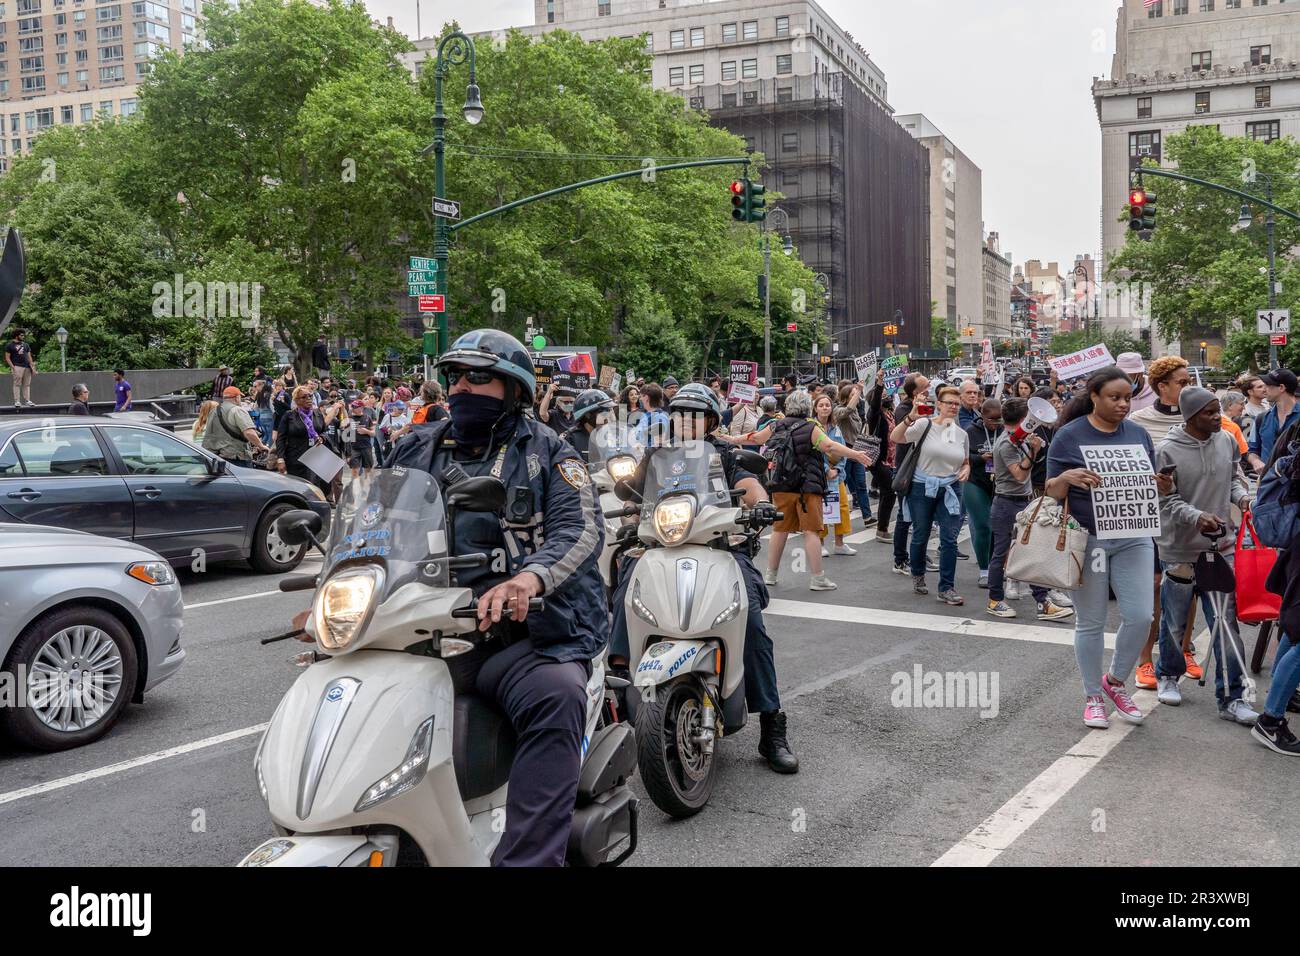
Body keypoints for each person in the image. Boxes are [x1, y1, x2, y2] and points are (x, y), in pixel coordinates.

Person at [385, 328, 608, 866]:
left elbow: (580, 529)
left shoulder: (549, 451)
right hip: (420, 631)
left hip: (523, 636)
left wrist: (529, 579)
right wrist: (338, 588)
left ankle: (530, 858)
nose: (461, 387)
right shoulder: (414, 447)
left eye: (477, 377)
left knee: (556, 696)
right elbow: (375, 524)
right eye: (454, 376)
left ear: (514, 389)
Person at [606, 383, 797, 773]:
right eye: (679, 414)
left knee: (751, 621)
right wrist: (629, 514)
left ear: (709, 421)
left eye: (694, 416)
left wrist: (760, 504)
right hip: (660, 546)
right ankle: (618, 686)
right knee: (626, 594)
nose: (685, 421)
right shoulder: (656, 455)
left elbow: (749, 485)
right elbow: (633, 496)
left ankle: (771, 724)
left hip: (721, 547)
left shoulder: (724, 454)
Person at [1046, 366, 1165, 730]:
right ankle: (1092, 696)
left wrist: (1162, 485)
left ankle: (1114, 682)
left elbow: (1150, 484)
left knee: (1141, 616)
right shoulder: (1069, 436)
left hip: (1135, 536)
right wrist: (1065, 478)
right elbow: (1050, 491)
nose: (1123, 404)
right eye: (1115, 397)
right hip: (1090, 539)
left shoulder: (1139, 434)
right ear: (1094, 396)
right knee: (1092, 621)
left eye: (1128, 397)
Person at [1151, 386, 1257, 725]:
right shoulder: (1166, 451)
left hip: (1221, 547)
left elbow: (1234, 480)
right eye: (1209, 413)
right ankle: (1168, 674)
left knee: (1226, 624)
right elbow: (1165, 500)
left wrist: (1242, 498)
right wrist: (1196, 516)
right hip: (1180, 548)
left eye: (1217, 411)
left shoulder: (1226, 440)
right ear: (1191, 417)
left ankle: (1232, 698)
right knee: (1174, 620)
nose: (1217, 418)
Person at [741, 389, 871, 591]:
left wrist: (729, 439)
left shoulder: (776, 424)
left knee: (780, 530)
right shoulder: (812, 427)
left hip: (782, 484)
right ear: (808, 407)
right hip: (807, 486)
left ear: (788, 406)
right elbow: (830, 447)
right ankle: (817, 578)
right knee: (811, 531)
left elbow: (756, 439)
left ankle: (770, 574)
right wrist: (856, 454)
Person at [1129, 355, 1193, 690]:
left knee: (1188, 583)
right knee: (1153, 584)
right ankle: (1144, 659)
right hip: (1150, 514)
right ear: (1161, 386)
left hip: (1189, 513)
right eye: (1182, 382)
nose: (1188, 387)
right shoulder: (1138, 420)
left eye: (1189, 381)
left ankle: (1183, 651)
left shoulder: (1201, 415)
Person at [984, 398, 1074, 621]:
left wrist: (1034, 449)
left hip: (1022, 501)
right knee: (1001, 553)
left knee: (1032, 551)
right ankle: (995, 600)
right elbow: (1020, 475)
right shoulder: (1006, 444)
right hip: (1006, 503)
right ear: (1024, 419)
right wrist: (1032, 451)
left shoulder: (1018, 440)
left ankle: (1043, 602)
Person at [891, 385, 969, 605]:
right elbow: (896, 437)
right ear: (939, 405)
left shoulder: (961, 434)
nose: (953, 407)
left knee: (949, 539)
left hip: (950, 488)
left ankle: (946, 587)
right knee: (921, 535)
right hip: (921, 487)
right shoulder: (924, 424)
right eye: (949, 403)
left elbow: (965, 461)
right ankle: (918, 574)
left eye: (957, 404)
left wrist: (966, 469)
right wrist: (910, 417)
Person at [888, 372, 932, 574]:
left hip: (923, 467)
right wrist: (915, 414)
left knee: (921, 517)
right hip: (907, 468)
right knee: (905, 515)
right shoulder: (904, 409)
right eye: (925, 387)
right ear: (915, 392)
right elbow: (904, 434)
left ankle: (919, 555)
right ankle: (900, 559)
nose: (929, 389)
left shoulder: (926, 407)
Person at [964, 398, 1000, 589]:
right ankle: (984, 571)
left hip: (999, 483)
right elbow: (962, 457)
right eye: (991, 419)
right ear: (983, 416)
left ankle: (995, 567)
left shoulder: (1004, 430)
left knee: (997, 528)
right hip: (975, 481)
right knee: (983, 526)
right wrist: (981, 458)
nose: (995, 423)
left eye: (999, 419)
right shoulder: (970, 431)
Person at [814, 392, 855, 556]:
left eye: (827, 405)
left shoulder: (836, 428)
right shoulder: (812, 428)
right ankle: (820, 543)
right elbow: (812, 453)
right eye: (821, 405)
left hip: (837, 476)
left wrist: (837, 470)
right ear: (815, 408)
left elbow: (842, 450)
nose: (825, 408)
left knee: (843, 508)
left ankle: (839, 543)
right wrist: (826, 470)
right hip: (819, 476)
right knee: (820, 510)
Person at [275, 384, 333, 495]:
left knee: (320, 489)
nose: (308, 399)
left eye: (310, 396)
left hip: (317, 456)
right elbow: (281, 438)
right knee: (300, 490)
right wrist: (280, 459)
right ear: (296, 400)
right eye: (304, 397)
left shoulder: (317, 414)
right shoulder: (289, 416)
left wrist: (322, 438)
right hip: (296, 458)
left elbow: (324, 431)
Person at [863, 369, 900, 544]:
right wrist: (879, 383)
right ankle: (882, 529)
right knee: (889, 492)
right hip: (878, 460)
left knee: (888, 493)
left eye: (887, 394)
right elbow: (876, 402)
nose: (887, 396)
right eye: (883, 394)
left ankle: (882, 528)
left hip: (891, 460)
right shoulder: (875, 416)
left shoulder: (890, 414)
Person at [832, 382, 875, 528]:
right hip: (844, 452)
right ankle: (833, 514)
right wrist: (859, 390)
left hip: (856, 452)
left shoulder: (856, 411)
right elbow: (848, 409)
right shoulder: (838, 410)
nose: (857, 398)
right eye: (853, 395)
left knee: (861, 485)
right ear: (845, 397)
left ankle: (867, 517)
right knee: (841, 484)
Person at [202, 386, 270, 467]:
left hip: (217, 457)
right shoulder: (237, 410)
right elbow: (249, 432)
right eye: (240, 397)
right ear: (237, 398)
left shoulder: (214, 411)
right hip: (236, 457)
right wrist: (261, 446)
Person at [1247, 368, 1300, 473]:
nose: (1264, 389)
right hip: (1267, 481)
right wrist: (1256, 461)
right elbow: (1252, 450)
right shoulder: (1261, 418)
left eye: (1267, 385)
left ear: (1281, 388)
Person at [561, 388, 615, 461]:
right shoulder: (570, 438)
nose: (608, 416)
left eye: (609, 411)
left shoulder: (610, 435)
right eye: (603, 412)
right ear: (588, 415)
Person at [5, 328, 35, 407]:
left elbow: (29, 356)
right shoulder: (9, 345)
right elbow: (7, 358)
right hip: (17, 366)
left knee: (27, 384)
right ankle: (17, 401)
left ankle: (27, 400)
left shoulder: (26, 345)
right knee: (17, 384)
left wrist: (32, 367)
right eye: (21, 335)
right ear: (16, 336)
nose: (23, 336)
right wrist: (13, 367)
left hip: (27, 367)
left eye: (23, 335)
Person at [633, 382, 670, 449]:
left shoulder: (659, 417)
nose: (640, 399)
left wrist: (641, 447)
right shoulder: (647, 414)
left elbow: (657, 446)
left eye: (641, 396)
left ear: (647, 398)